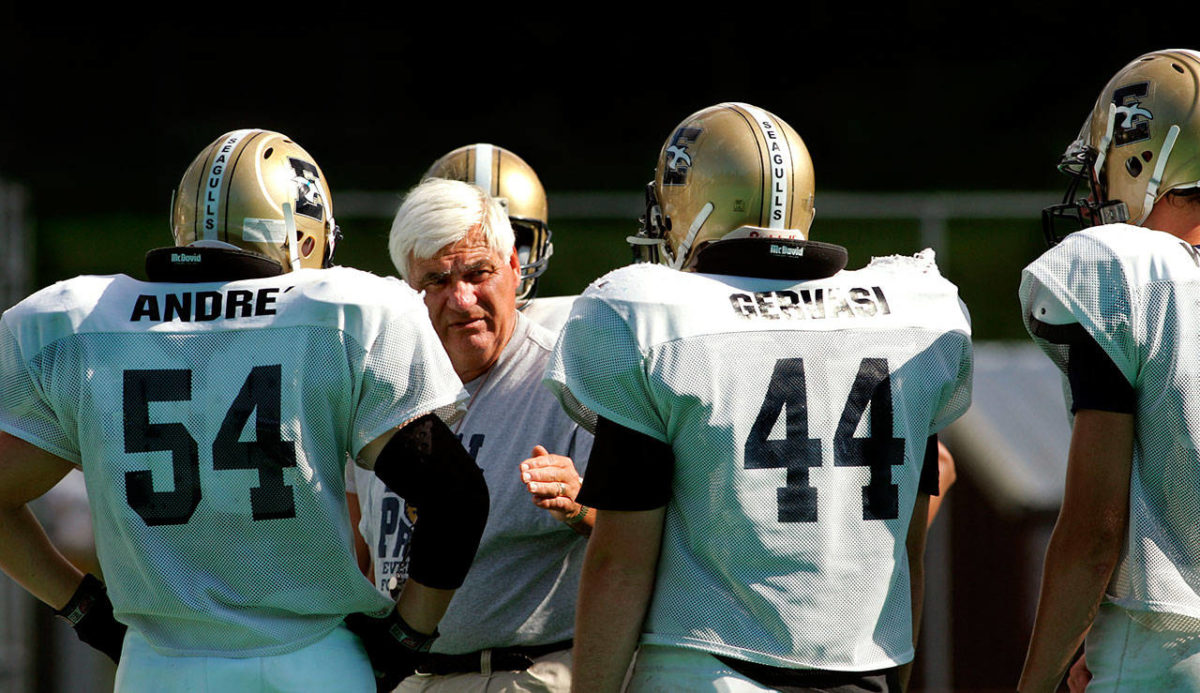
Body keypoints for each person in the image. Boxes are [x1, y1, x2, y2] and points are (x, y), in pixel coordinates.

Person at [0, 129, 489, 692]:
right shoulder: (341, 315)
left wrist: (84, 609)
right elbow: (456, 496)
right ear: (300, 232)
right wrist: (405, 636)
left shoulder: (82, 324)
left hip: (159, 667)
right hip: (314, 661)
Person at [546, 102, 973, 692]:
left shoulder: (656, 321)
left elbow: (621, 561)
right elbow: (906, 554)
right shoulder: (912, 318)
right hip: (863, 672)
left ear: (696, 208)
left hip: (707, 665)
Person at [348, 175, 592, 692]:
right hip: (398, 676)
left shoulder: (569, 378)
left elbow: (644, 534)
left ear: (514, 267)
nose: (461, 300)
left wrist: (581, 505)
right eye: (436, 281)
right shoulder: (378, 384)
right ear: (405, 290)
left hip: (521, 674)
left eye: (479, 273)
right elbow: (357, 552)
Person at [1019, 49, 1200, 692]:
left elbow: (1094, 537)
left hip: (1165, 643)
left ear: (1142, 161)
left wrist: (1035, 683)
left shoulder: (1126, 270)